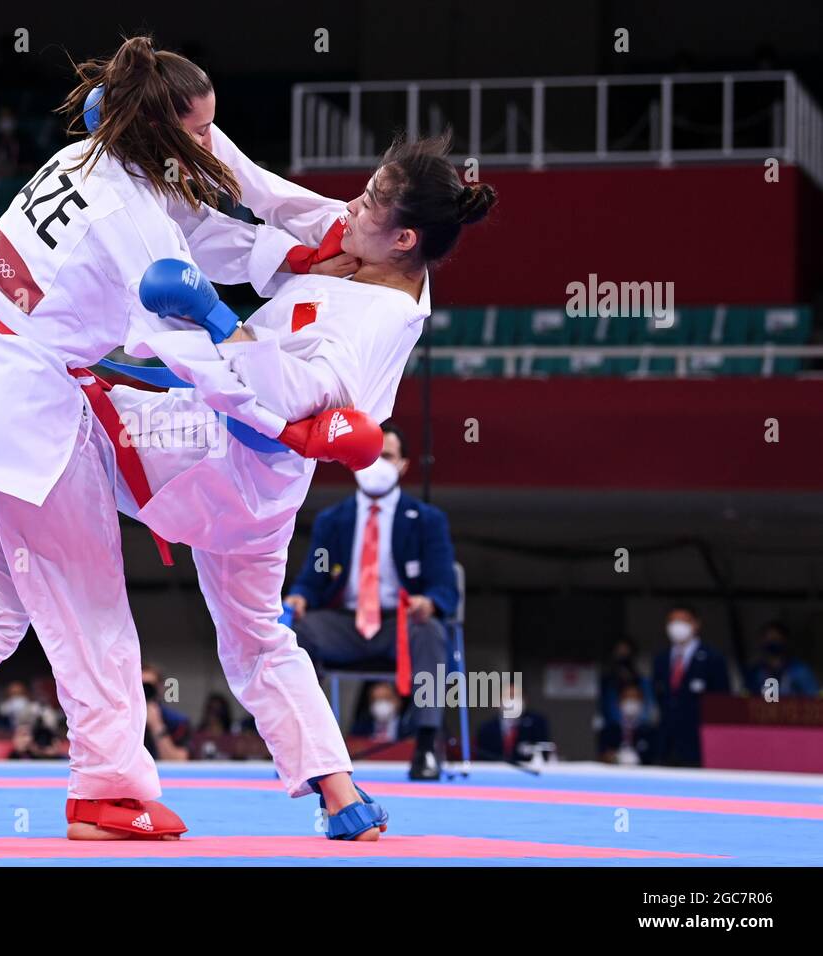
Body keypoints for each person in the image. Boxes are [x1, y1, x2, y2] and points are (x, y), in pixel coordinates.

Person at [0, 37, 348, 840]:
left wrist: (293, 250)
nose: (206, 146)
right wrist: (278, 417)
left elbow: (194, 231)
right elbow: (184, 336)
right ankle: (108, 791)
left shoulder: (83, 161)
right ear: (158, 133)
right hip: (26, 409)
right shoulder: (133, 215)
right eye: (197, 133)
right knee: (89, 607)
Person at [108, 131, 494, 827]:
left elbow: (294, 399)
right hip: (248, 479)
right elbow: (260, 187)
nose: (353, 203)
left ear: (406, 238)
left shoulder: (381, 320)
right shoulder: (360, 241)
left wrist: (221, 321)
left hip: (213, 453)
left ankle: (94, 755)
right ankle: (341, 792)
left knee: (55, 418)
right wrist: (179, 122)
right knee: (258, 637)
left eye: (373, 197)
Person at [282, 420, 457, 781]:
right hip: (346, 624)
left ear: (404, 465)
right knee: (298, 632)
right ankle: (309, 748)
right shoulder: (333, 520)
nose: (377, 465)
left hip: (402, 624)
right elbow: (313, 580)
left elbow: (445, 588)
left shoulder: (427, 520)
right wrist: (299, 596)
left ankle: (426, 745)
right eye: (370, 456)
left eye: (388, 457)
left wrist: (430, 602)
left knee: (431, 631)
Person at [651, 605, 730, 766]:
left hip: (699, 742)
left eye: (683, 621)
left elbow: (722, 701)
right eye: (672, 621)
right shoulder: (661, 659)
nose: (677, 626)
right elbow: (659, 696)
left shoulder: (712, 658)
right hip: (666, 743)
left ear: (696, 624)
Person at [744, 621, 819, 699]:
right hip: (763, 709)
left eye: (775, 639)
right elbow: (746, 697)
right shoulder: (756, 672)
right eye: (768, 639)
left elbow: (813, 698)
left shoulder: (800, 670)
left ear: (784, 641)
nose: (772, 643)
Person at [477, 690, 551, 763]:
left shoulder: (537, 724)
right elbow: (480, 759)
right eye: (508, 696)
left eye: (516, 696)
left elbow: (545, 752)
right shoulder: (486, 729)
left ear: (524, 699)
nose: (512, 700)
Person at [597, 681, 658, 765]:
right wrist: (616, 757)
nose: (631, 701)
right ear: (619, 702)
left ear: (642, 702)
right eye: (627, 697)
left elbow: (654, 757)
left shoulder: (650, 732)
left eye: (635, 698)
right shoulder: (608, 731)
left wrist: (639, 758)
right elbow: (602, 755)